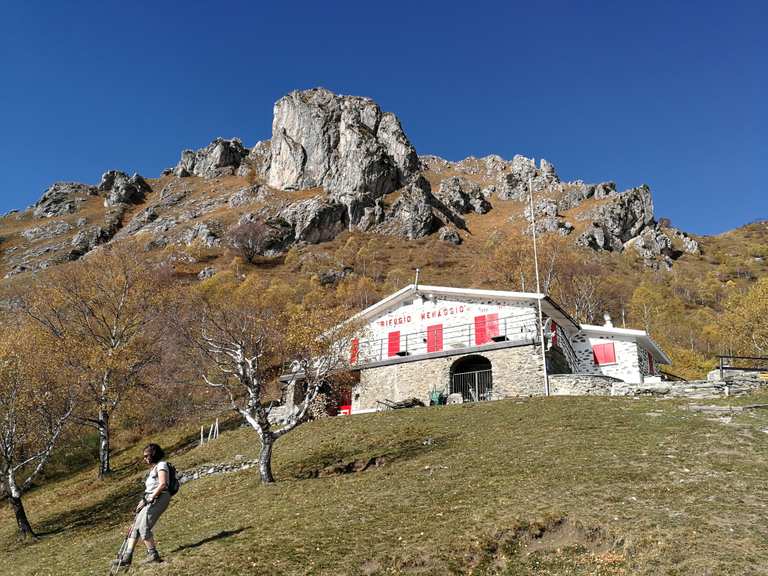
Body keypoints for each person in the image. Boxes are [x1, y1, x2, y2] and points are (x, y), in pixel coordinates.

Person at [112, 443, 172, 566]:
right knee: (135, 527)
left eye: (146, 456)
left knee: (144, 527)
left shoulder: (162, 465)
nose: (145, 458)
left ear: (153, 454)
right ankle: (127, 557)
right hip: (150, 499)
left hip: (160, 498)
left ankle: (153, 555)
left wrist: (149, 498)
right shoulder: (153, 469)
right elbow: (151, 488)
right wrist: (143, 501)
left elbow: (163, 484)